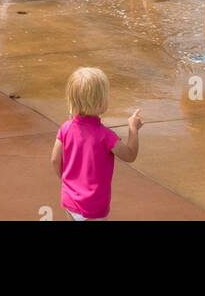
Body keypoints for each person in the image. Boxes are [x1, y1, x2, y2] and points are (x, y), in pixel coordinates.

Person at [51, 68, 141, 222]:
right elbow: (130, 155)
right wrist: (133, 128)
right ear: (101, 102)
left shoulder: (66, 128)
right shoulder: (105, 135)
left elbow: (54, 159)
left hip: (70, 199)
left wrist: (67, 182)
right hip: (93, 205)